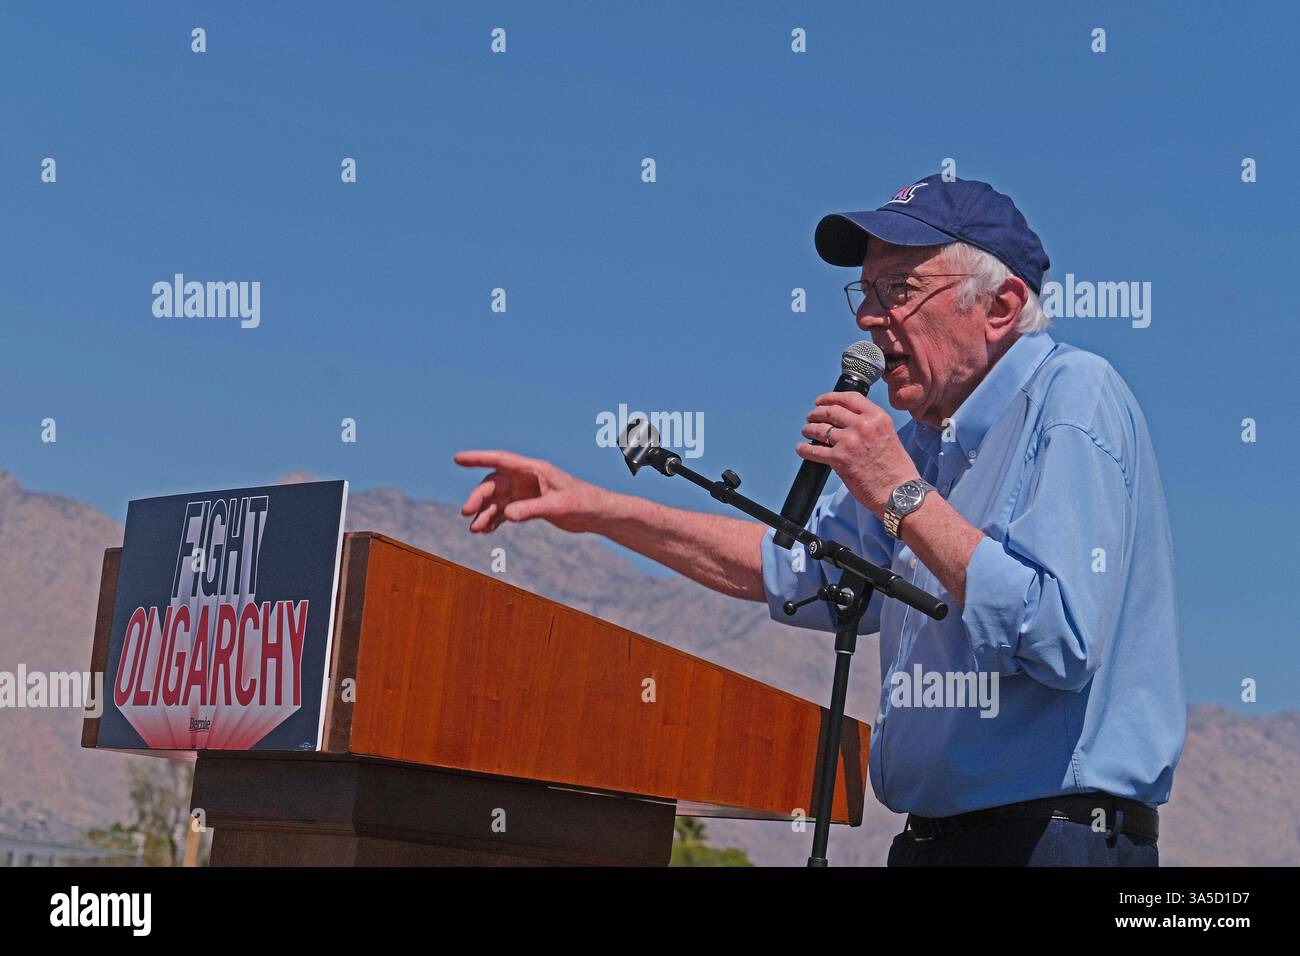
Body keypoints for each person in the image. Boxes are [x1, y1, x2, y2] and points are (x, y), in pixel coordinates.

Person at [456, 174, 1185, 866]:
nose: (869, 317)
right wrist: (599, 509)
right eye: (865, 292)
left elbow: (1058, 636)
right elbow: (798, 570)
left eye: (899, 290)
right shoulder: (921, 445)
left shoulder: (1072, 397)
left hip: (1050, 840)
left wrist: (898, 493)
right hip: (931, 842)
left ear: (1000, 306)